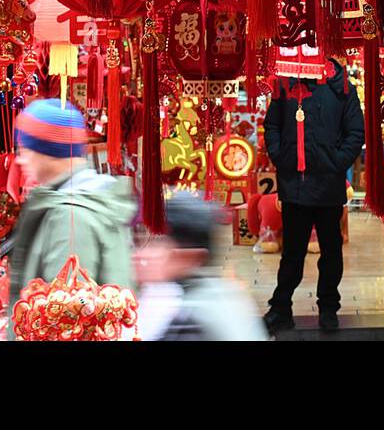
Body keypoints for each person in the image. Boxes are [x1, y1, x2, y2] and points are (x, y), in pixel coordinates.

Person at [6, 98, 135, 337]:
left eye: (25, 150)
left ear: (48, 152)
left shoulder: (70, 215)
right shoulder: (84, 200)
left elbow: (66, 320)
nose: (20, 160)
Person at [262, 59, 364, 334]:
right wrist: (281, 156)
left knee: (331, 250)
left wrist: (335, 161)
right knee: (292, 252)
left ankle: (328, 306)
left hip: (329, 186)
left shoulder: (342, 87)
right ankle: (281, 307)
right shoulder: (285, 84)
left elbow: (356, 133)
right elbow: (271, 125)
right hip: (295, 185)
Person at [135, 193, 267, 341]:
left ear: (190, 256)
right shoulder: (221, 295)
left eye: (156, 243)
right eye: (140, 243)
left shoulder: (189, 319)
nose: (139, 254)